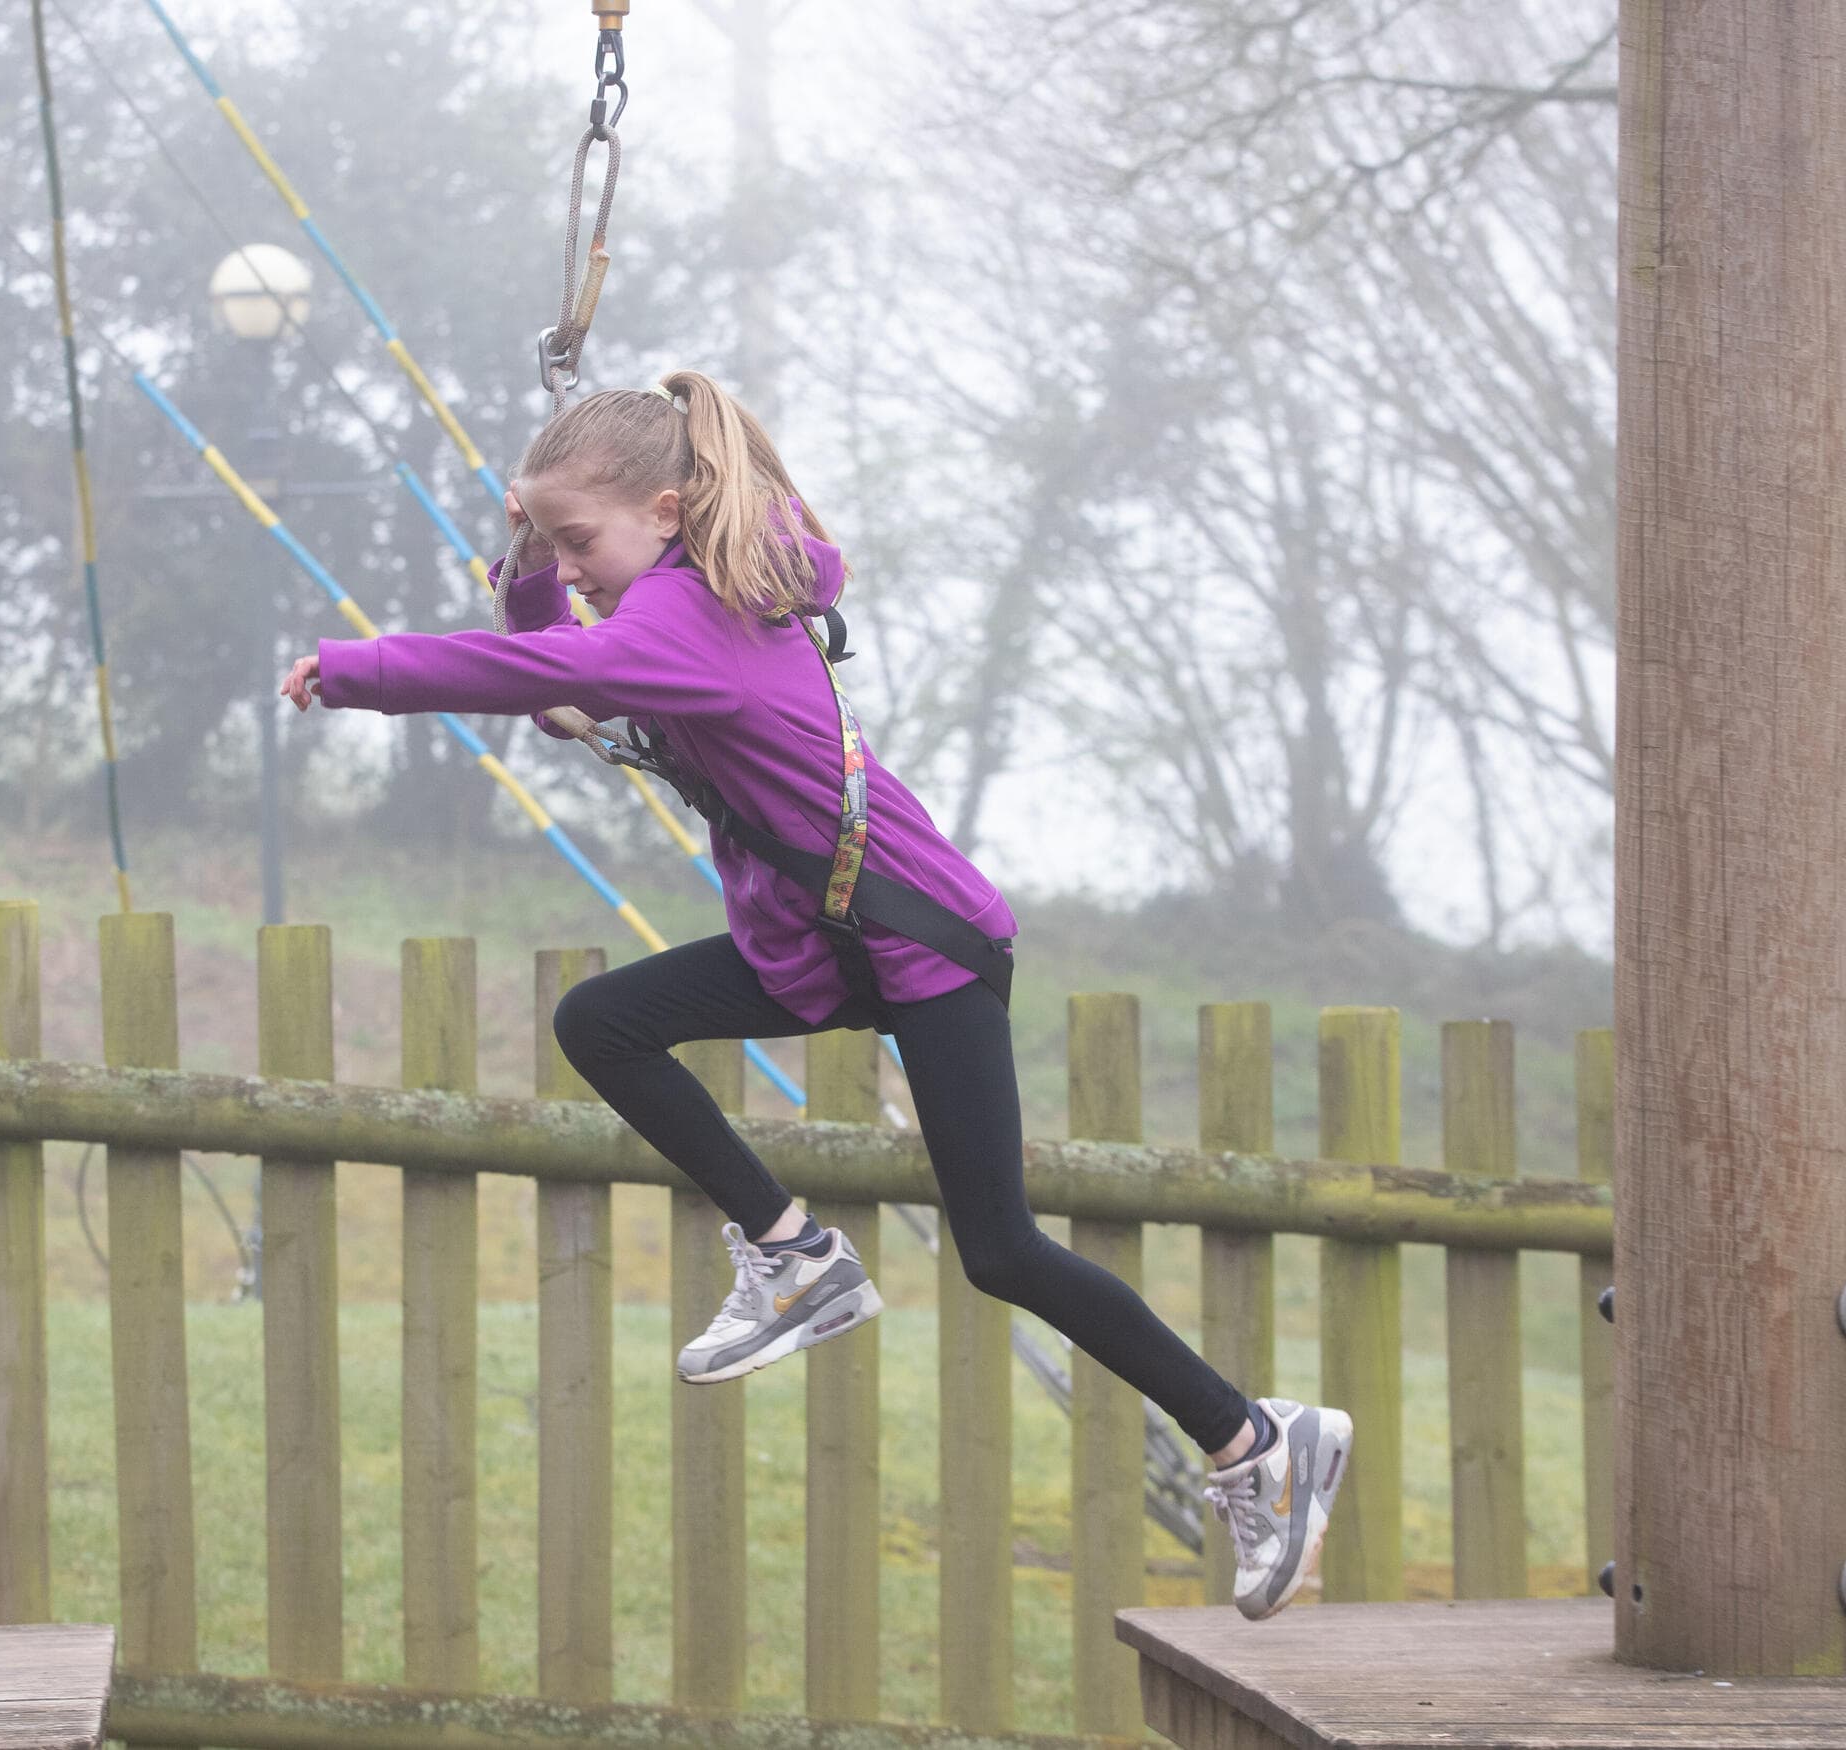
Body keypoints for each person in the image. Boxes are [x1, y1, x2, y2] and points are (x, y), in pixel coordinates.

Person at [280, 368, 1351, 1620]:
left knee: (1000, 1247)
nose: (570, 568)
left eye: (581, 543)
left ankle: (1255, 1444)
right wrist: (528, 548)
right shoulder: (689, 597)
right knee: (602, 1022)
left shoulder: (686, 619)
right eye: (556, 546)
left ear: (671, 509)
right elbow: (556, 662)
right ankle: (793, 1254)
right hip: (826, 939)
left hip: (917, 939)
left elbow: (532, 679)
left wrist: (356, 669)